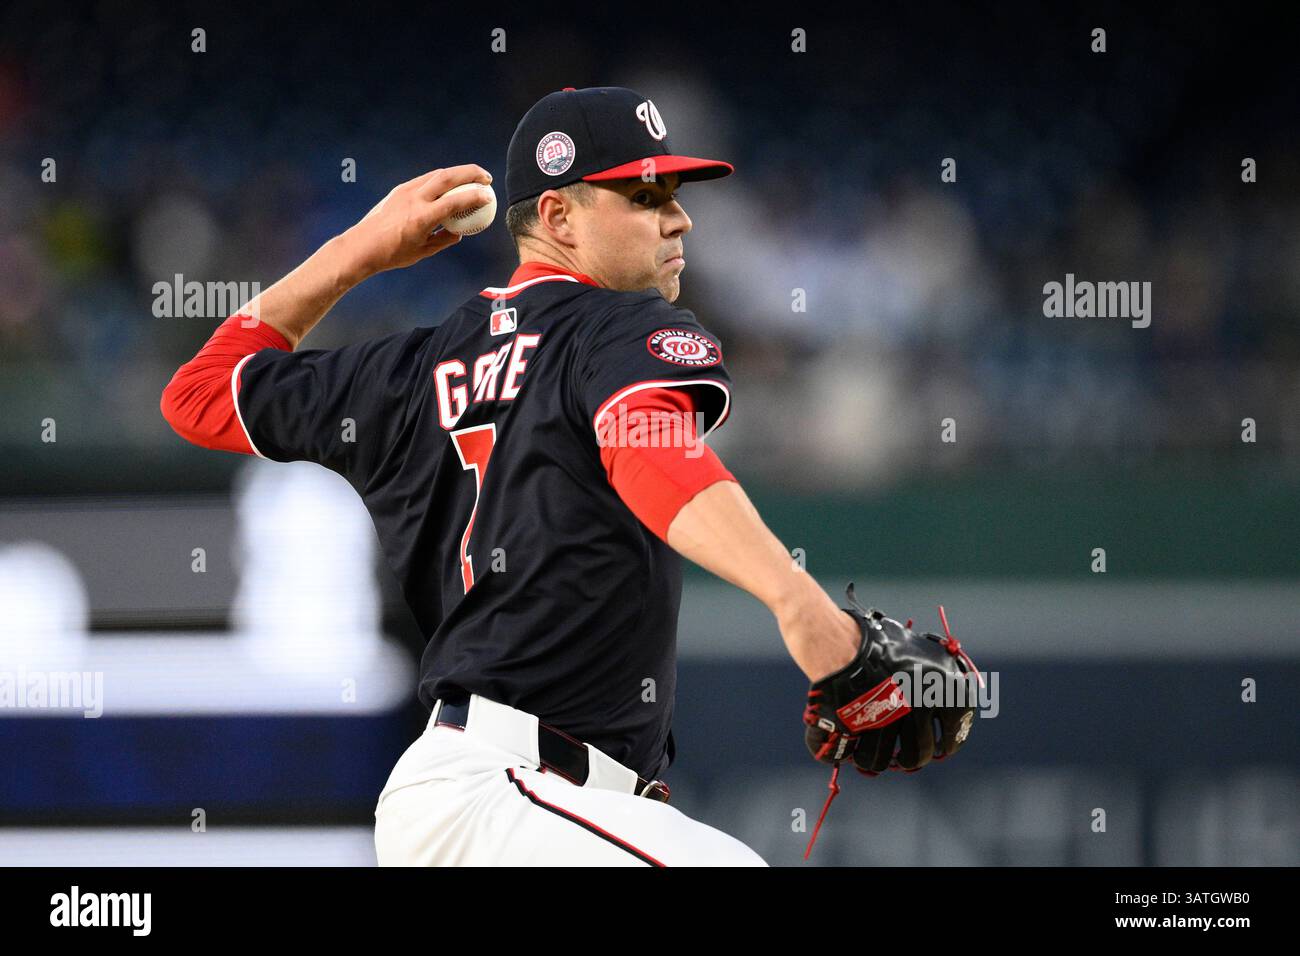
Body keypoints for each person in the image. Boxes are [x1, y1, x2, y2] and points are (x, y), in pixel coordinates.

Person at [161, 86, 861, 866]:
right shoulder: (619, 326)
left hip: (488, 802)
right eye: (642, 194)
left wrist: (359, 250)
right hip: (514, 792)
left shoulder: (410, 369)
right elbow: (648, 447)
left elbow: (200, 394)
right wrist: (797, 602)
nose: (679, 216)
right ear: (558, 217)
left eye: (673, 191)